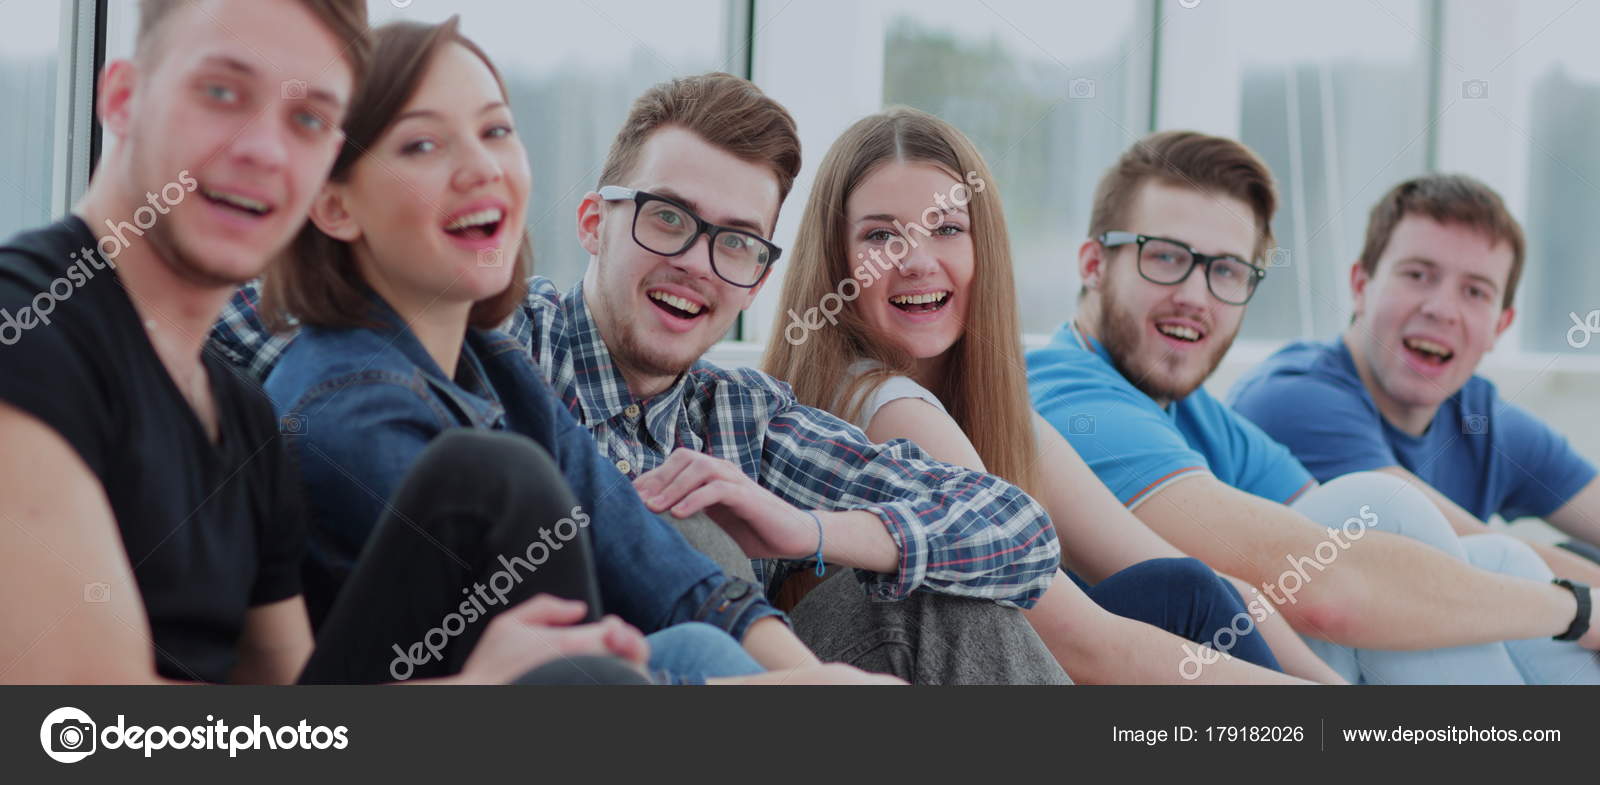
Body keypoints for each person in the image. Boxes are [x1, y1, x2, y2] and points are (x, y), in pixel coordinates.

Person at [215, 73, 1069, 684]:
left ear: (758, 280)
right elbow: (247, 309)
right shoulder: (499, 340)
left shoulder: (746, 416)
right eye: (668, 218)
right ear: (594, 222)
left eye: (735, 240)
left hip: (713, 661)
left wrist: (806, 526)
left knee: (938, 605)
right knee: (695, 543)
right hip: (548, 675)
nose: (697, 263)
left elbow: (1021, 533)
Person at [0, 0, 663, 685]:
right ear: (122, 99)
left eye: (309, 120)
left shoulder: (239, 416)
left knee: (494, 482)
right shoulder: (27, 328)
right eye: (221, 93)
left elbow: (293, 715)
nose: (264, 148)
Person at [255, 18, 892, 687]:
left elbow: (658, 566)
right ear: (332, 205)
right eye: (421, 144)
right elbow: (562, 679)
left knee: (703, 643)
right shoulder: (351, 410)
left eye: (496, 130)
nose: (481, 166)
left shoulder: (493, 367)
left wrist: (816, 679)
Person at [762, 108, 1330, 683]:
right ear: (835, 258)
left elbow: (1171, 571)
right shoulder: (887, 407)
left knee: (1181, 586)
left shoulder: (987, 410)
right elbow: (1090, 647)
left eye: (947, 228)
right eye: (881, 235)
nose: (916, 261)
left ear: (984, 248)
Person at [1027, 130, 1600, 684]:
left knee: (1498, 557)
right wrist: (1576, 609)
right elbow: (1330, 589)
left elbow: (1376, 556)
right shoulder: (1064, 394)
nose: (1196, 296)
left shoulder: (1199, 415)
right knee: (1377, 508)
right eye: (1168, 258)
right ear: (1094, 265)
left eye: (1226, 270)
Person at [1228, 174, 1600, 585]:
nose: (1442, 309)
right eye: (1418, 275)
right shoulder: (1291, 401)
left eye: (1475, 292)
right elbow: (1494, 560)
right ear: (1360, 286)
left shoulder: (1484, 422)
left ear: (1501, 325)